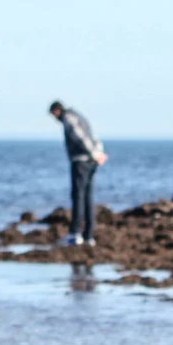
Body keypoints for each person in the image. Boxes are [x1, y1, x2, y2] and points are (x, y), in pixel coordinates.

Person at [48, 100, 105, 246]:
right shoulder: (79, 116)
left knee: (78, 196)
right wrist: (99, 152)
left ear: (57, 111)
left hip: (81, 161)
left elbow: (80, 137)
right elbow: (92, 135)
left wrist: (93, 153)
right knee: (88, 196)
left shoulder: (68, 118)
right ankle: (89, 235)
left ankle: (75, 234)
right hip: (92, 161)